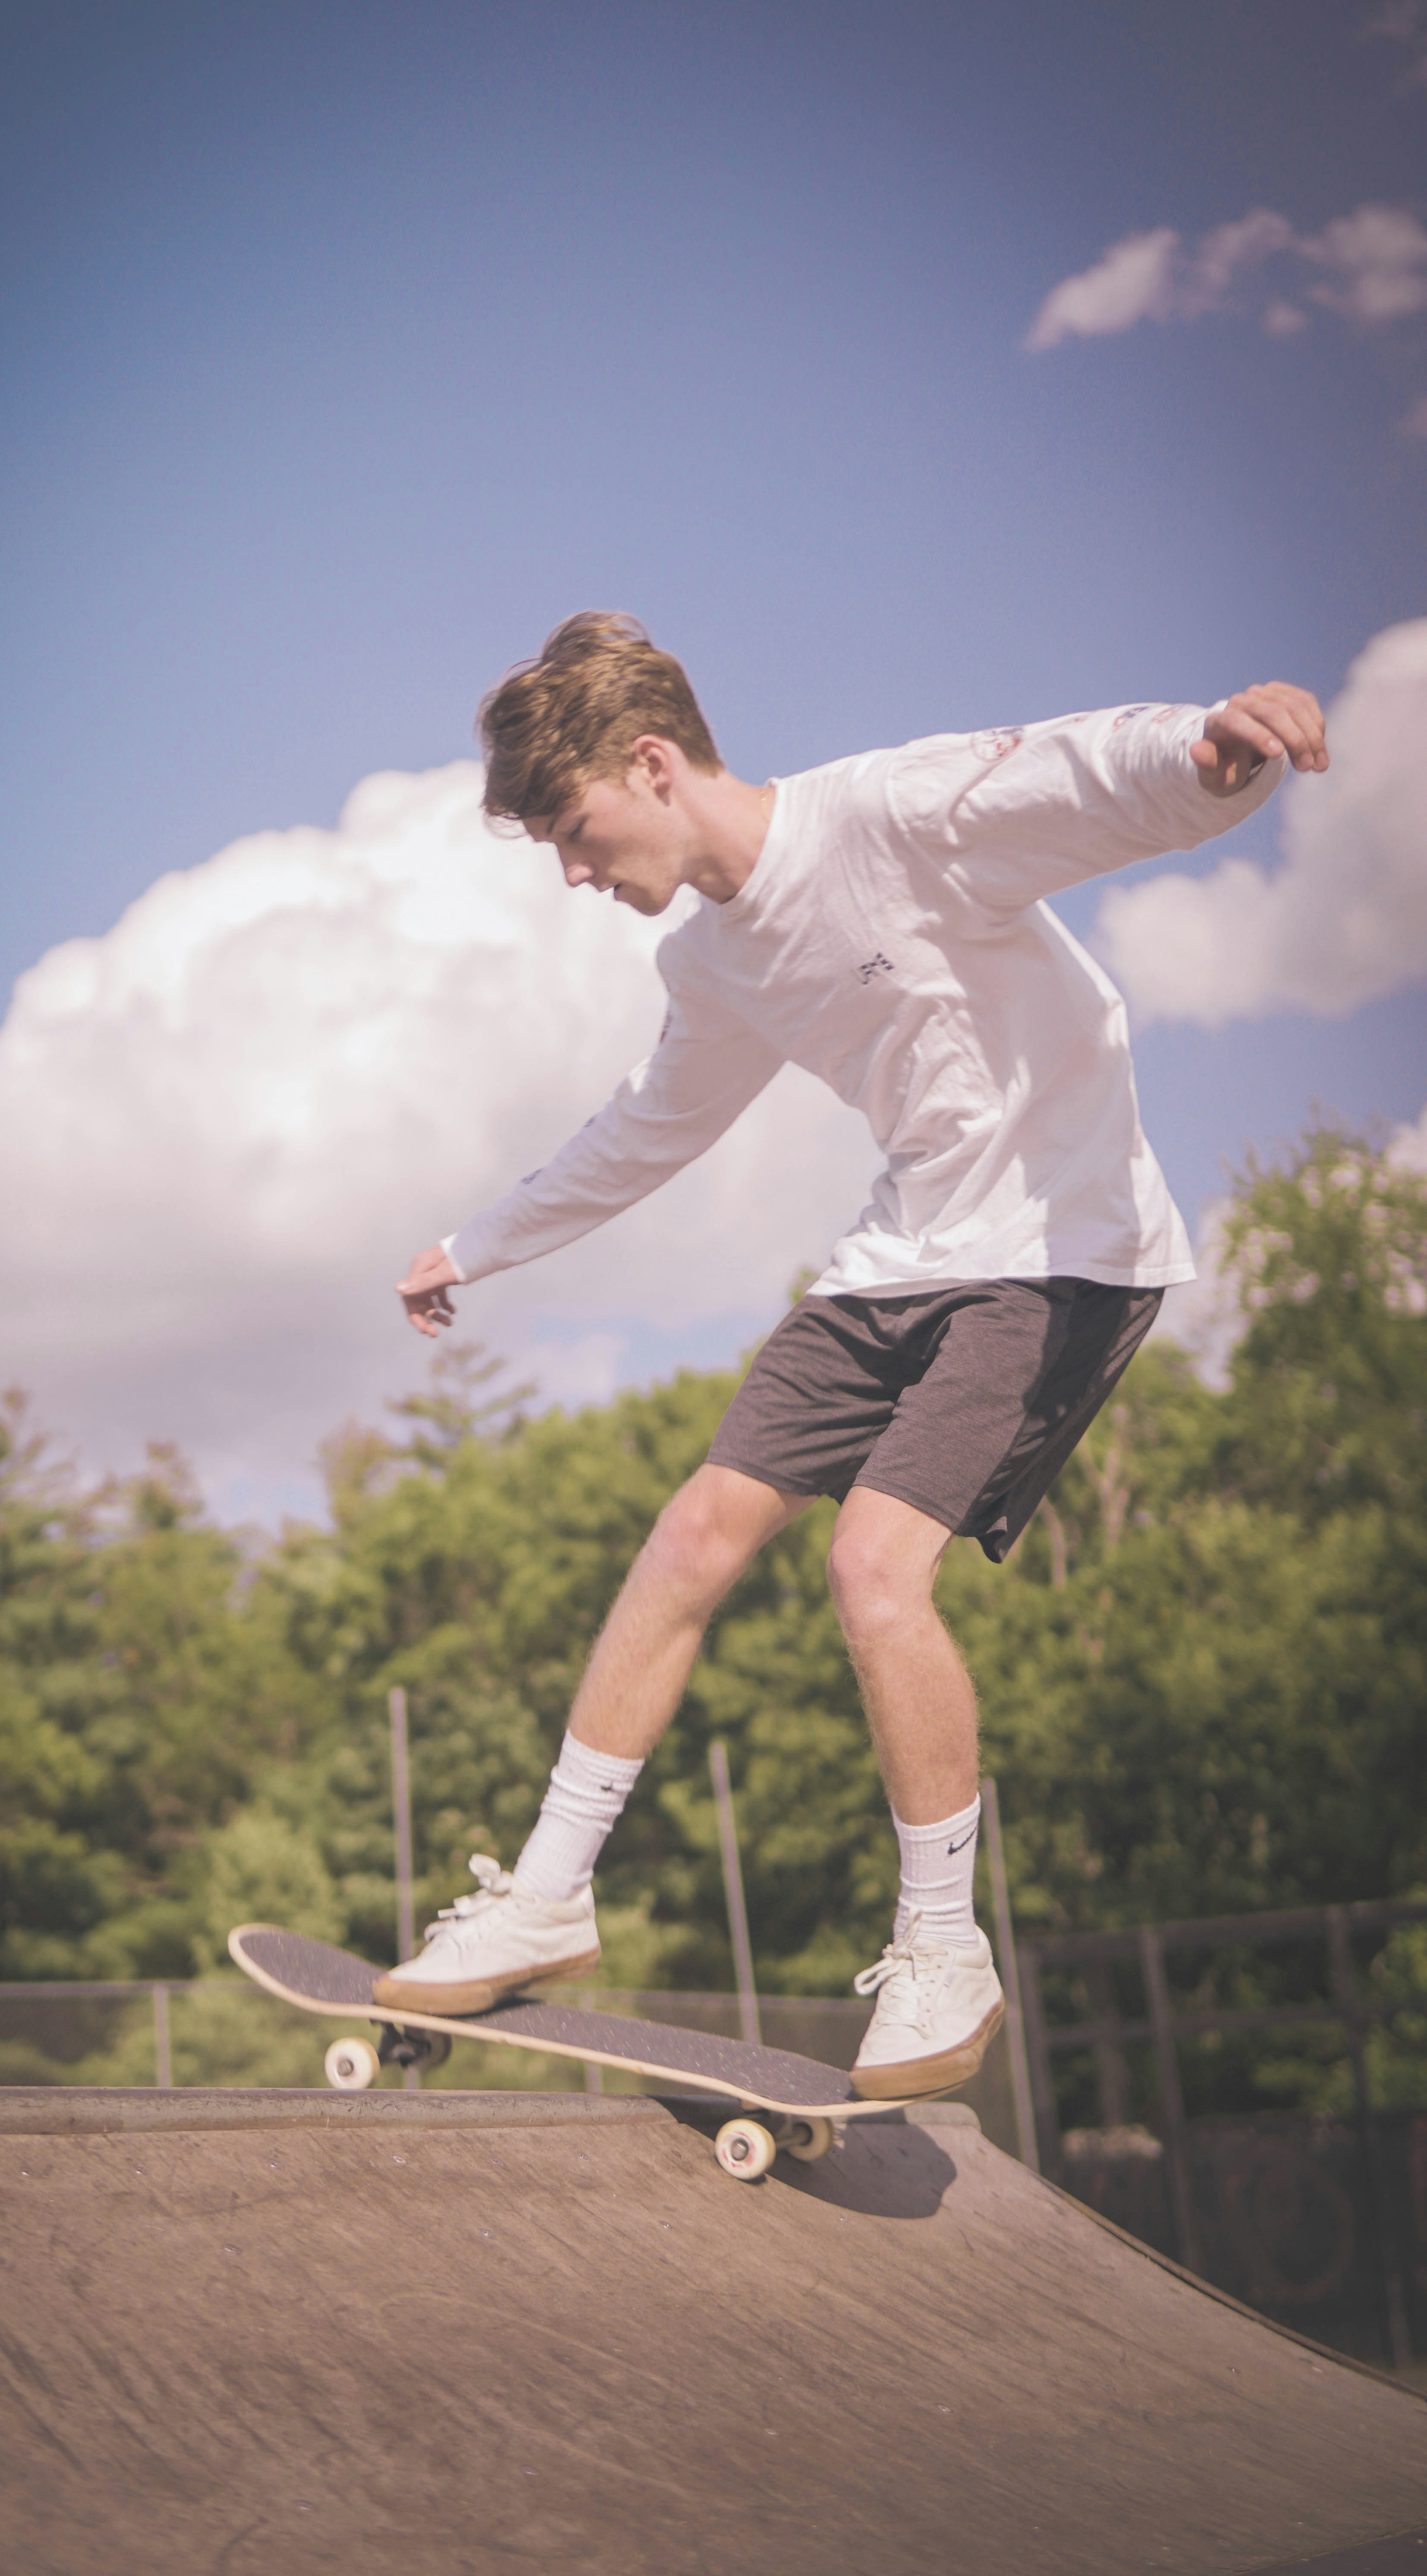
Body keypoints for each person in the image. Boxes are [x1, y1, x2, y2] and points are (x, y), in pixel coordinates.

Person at [375, 613, 1329, 2098]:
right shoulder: (713, 964)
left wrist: (1207, 758)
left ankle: (944, 1945)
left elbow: (1073, 778)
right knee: (696, 1527)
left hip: (1059, 1248)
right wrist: (480, 1242)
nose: (571, 869)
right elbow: (647, 1128)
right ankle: (550, 1893)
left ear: (651, 765)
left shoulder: (887, 816)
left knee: (872, 1566)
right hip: (905, 1256)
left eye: (571, 829)